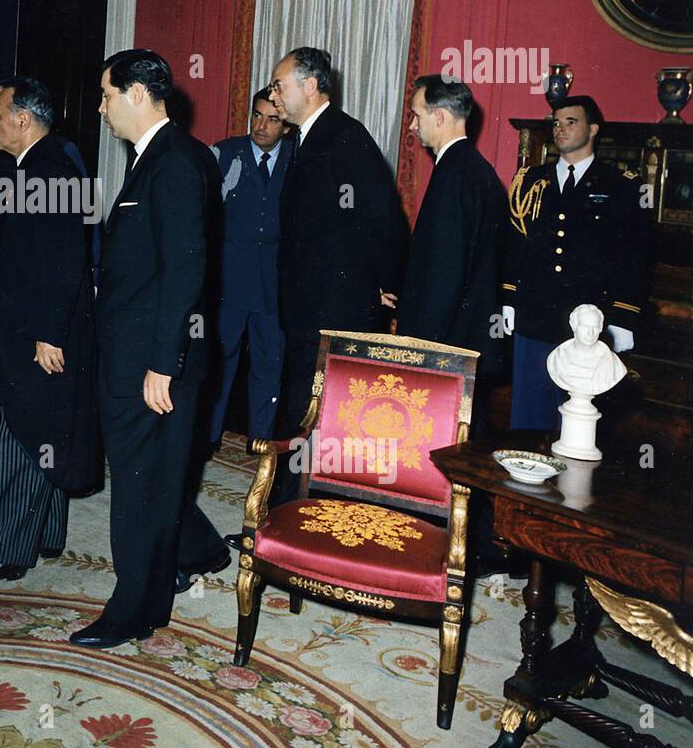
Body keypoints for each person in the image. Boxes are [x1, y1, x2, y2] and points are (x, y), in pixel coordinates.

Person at [70, 50, 229, 651]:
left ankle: (135, 610)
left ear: (137, 94)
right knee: (154, 472)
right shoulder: (157, 156)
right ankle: (201, 549)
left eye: (106, 94)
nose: (101, 107)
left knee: (139, 487)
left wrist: (164, 363)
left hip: (154, 358)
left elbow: (186, 273)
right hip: (135, 348)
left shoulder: (176, 163)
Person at [0, 78, 97, 585]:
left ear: (23, 120)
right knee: (47, 425)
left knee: (24, 431)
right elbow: (2, 241)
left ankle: (7, 552)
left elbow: (64, 260)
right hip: (35, 325)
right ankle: (47, 534)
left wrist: (49, 334)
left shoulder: (48, 170)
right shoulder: (36, 165)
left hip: (41, 331)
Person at [268, 47, 407, 501]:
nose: (274, 95)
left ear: (310, 86)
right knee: (301, 410)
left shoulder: (345, 136)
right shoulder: (306, 138)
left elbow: (382, 216)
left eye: (279, 85)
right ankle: (285, 511)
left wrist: (385, 284)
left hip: (334, 307)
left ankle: (299, 512)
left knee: (320, 416)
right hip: (309, 305)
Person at [502, 96, 650, 429]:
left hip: (589, 323)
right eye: (556, 122)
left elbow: (634, 257)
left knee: (579, 421)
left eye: (571, 122)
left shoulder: (621, 186)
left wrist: (624, 317)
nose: (560, 129)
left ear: (593, 129)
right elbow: (514, 244)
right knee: (529, 415)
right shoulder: (531, 180)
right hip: (535, 315)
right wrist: (508, 297)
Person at [392, 75, 507, 373]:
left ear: (439, 116)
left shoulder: (452, 174)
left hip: (444, 346)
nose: (413, 126)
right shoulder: (478, 169)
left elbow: (443, 272)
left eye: (417, 116)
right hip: (467, 337)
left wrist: (419, 347)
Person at [206, 89, 292, 449]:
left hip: (274, 286)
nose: (261, 126)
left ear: (286, 125)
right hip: (229, 282)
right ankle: (208, 439)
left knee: (269, 364)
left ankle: (261, 443)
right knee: (219, 363)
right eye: (256, 116)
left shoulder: (297, 158)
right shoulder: (225, 154)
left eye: (272, 119)